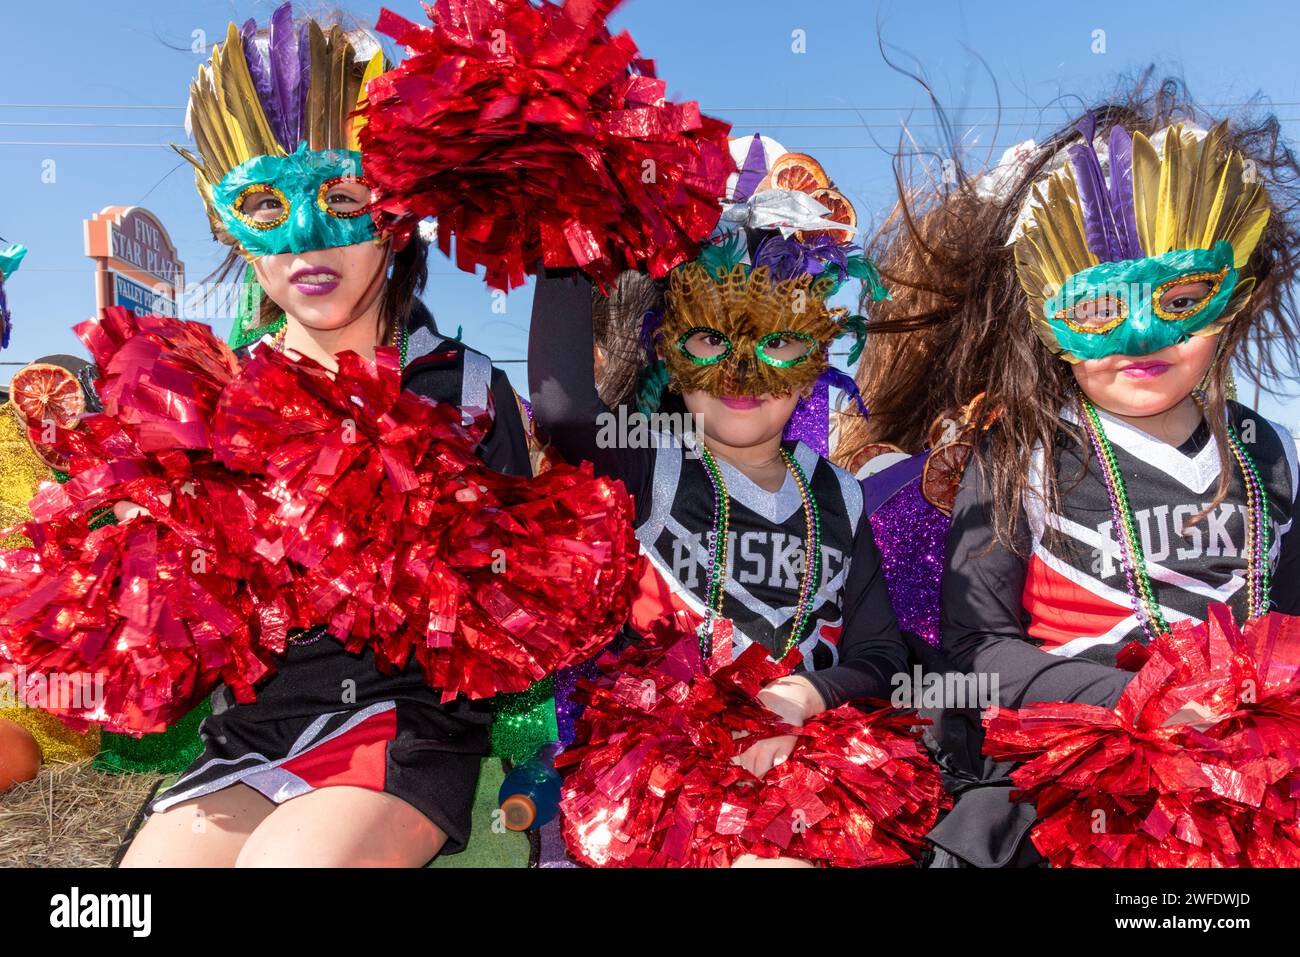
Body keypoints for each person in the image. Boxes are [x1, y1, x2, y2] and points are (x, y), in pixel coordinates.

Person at [117, 5, 539, 868]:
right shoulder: (210, 396)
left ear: (396, 211)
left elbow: (516, 611)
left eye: (341, 195)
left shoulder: (468, 392)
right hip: (249, 736)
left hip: (402, 732)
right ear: (227, 221)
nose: (307, 235)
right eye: (267, 203)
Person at [839, 81, 1300, 866]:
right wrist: (1138, 703)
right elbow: (980, 650)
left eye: (1181, 293)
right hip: (1075, 793)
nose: (1144, 330)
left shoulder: (1273, 453)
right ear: (1045, 310)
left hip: (1258, 786)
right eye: (1098, 306)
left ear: (1234, 291)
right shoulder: (1022, 453)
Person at [531, 136, 943, 867]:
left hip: (811, 760)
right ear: (669, 355)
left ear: (817, 356)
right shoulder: (645, 460)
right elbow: (562, 407)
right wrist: (571, 202)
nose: (743, 373)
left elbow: (879, 653)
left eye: (779, 343)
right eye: (708, 341)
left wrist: (805, 699)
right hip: (668, 776)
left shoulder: (838, 494)